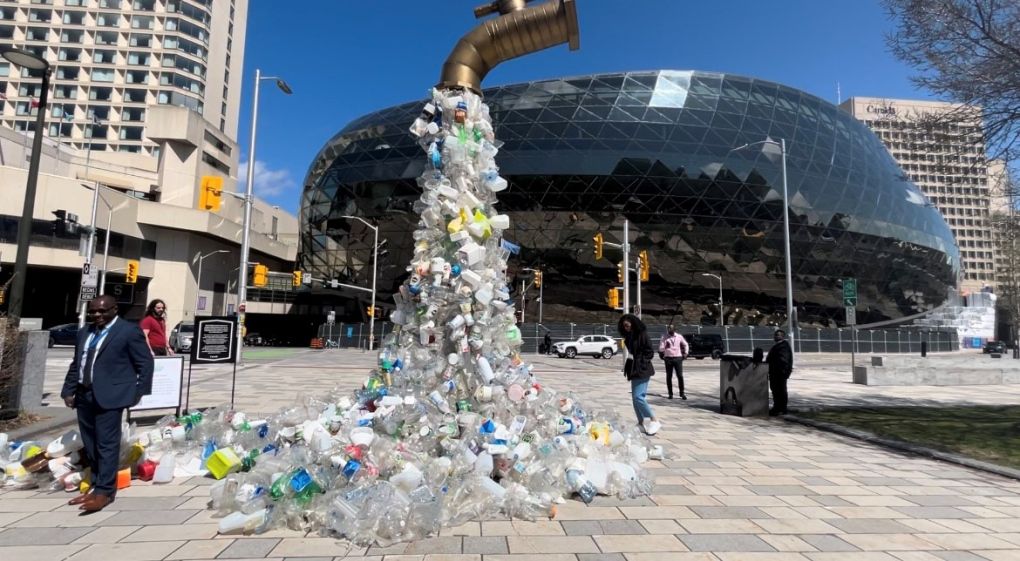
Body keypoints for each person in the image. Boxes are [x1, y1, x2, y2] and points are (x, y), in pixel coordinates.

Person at [60, 295, 154, 512]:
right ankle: (95, 485)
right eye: (93, 311)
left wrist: (137, 392)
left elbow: (145, 363)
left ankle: (105, 492)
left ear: (114, 310)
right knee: (90, 444)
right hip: (84, 395)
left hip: (111, 396)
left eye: (102, 311)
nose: (97, 315)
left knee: (106, 445)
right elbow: (78, 363)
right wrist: (68, 389)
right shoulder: (85, 332)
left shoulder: (128, 331)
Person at [618, 313, 661, 435]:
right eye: (624, 326)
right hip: (634, 368)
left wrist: (641, 362)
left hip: (642, 369)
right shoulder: (629, 336)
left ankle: (654, 420)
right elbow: (632, 352)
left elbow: (650, 352)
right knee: (635, 398)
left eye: (627, 325)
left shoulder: (642, 334)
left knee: (639, 397)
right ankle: (640, 423)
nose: (626, 328)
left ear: (633, 324)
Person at [766, 329, 793, 416]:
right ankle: (777, 408)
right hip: (775, 373)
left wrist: (782, 372)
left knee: (780, 391)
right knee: (776, 391)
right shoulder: (779, 346)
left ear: (782, 336)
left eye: (778, 335)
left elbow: (783, 361)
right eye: (775, 335)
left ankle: (780, 408)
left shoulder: (783, 347)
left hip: (779, 373)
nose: (775, 336)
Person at [658, 324, 689, 399]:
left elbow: (686, 344)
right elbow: (661, 347)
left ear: (674, 329)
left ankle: (682, 393)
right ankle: (670, 393)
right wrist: (662, 350)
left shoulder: (679, 336)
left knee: (680, 376)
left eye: (671, 329)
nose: (670, 330)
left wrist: (686, 353)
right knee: (669, 376)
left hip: (678, 358)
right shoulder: (664, 337)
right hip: (668, 358)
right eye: (669, 329)